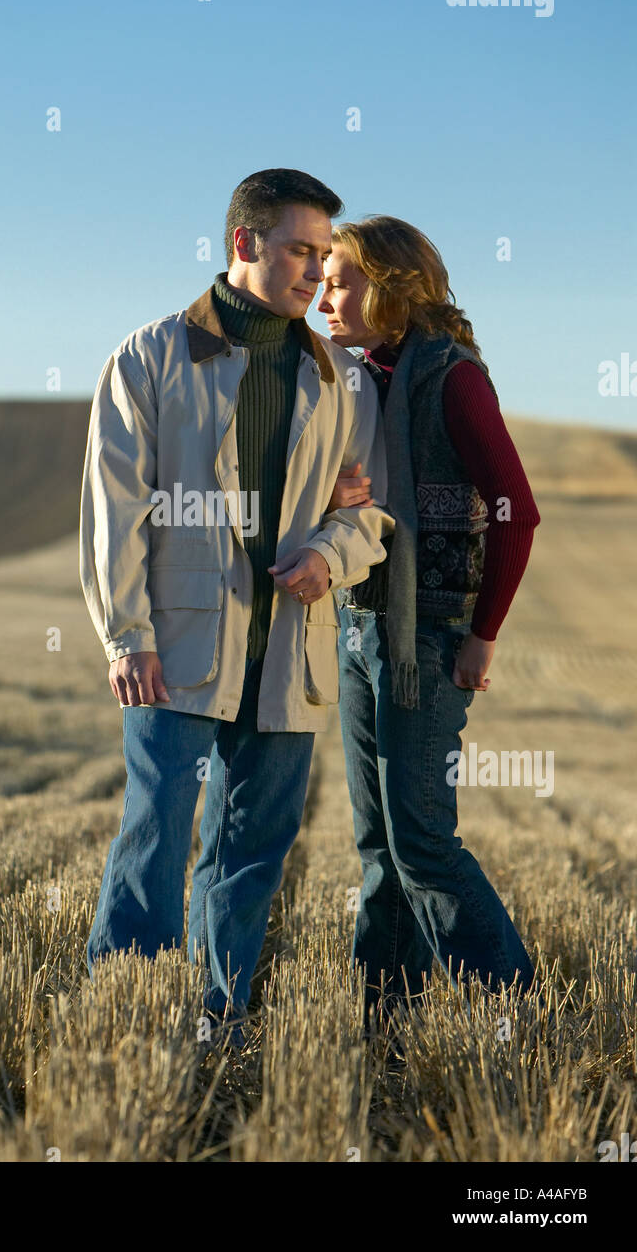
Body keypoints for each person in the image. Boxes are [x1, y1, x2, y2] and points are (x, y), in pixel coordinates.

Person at [79, 169, 395, 1040]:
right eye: (300, 250)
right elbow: (112, 508)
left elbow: (370, 512)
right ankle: (125, 1018)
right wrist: (126, 636)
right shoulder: (150, 356)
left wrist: (329, 555)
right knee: (154, 833)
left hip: (292, 646)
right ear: (243, 244)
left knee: (253, 848)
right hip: (175, 643)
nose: (316, 272)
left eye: (324, 255)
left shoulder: (344, 379)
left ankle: (219, 1017)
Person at [318, 215, 540, 1026]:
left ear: (390, 287)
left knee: (421, 843)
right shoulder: (356, 380)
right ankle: (387, 1020)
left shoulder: (452, 377)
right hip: (358, 626)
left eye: (340, 282)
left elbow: (517, 511)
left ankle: (512, 1011)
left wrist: (483, 635)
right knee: (378, 846)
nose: (323, 299)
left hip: (427, 637)